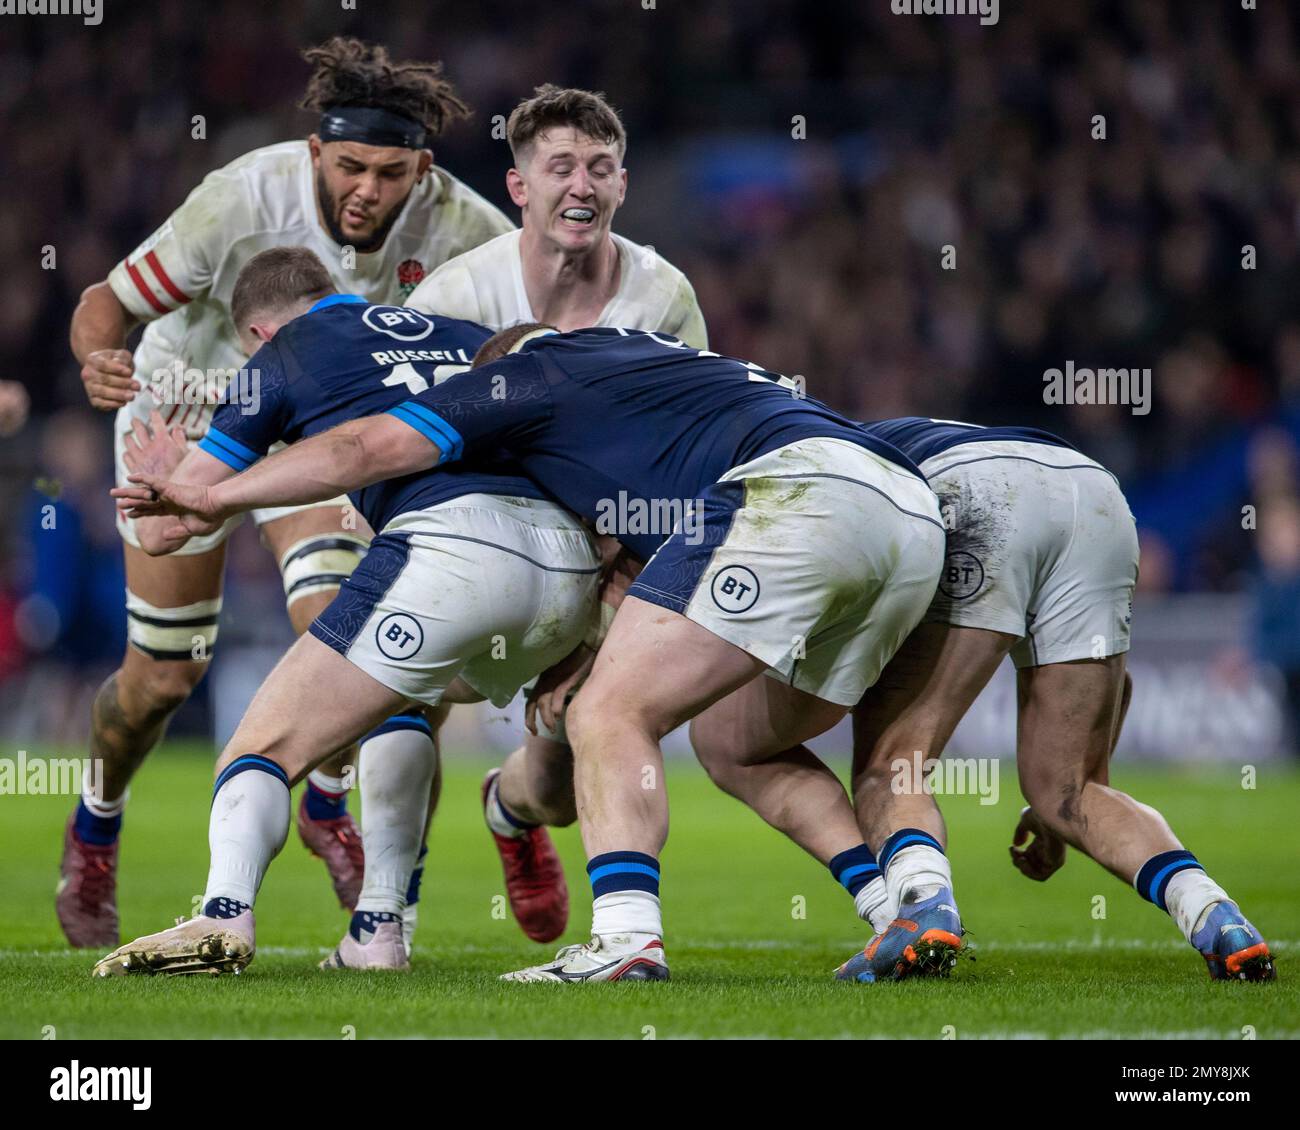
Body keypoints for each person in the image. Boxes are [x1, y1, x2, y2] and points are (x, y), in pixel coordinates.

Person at [113, 324, 946, 983]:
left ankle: (622, 940)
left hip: (788, 497)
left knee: (611, 712)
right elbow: (635, 558)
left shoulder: (533, 373)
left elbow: (365, 450)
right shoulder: (655, 369)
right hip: (907, 511)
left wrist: (211, 495)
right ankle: (899, 908)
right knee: (744, 746)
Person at [60, 36, 513, 948]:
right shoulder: (241, 197)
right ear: (316, 154)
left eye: (392, 174)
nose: (367, 192)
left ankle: (328, 800)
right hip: (188, 411)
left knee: (341, 633)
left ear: (422, 169)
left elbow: (520, 343)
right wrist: (97, 360)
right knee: (162, 677)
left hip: (318, 438)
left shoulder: (468, 231)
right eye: (350, 166)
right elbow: (107, 300)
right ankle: (96, 823)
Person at [93, 248, 600, 976]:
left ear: (259, 333)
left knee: (258, 752)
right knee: (399, 699)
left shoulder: (284, 354)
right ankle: (379, 930)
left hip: (456, 553)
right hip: (567, 569)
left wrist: (165, 481)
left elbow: (171, 526)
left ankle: (225, 914)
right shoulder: (461, 331)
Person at [692, 416, 1275, 984]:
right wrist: (1059, 804)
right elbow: (1118, 689)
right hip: (1095, 493)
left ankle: (924, 909)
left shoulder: (779, 472)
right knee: (1072, 790)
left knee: (894, 765)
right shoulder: (841, 432)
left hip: (976, 494)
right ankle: (1217, 917)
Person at [405, 84, 708, 947]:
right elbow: (417, 446)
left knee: (566, 764)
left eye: (601, 168)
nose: (582, 184)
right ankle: (381, 918)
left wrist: (615, 592)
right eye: (561, 167)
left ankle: (508, 810)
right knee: (400, 690)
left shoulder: (664, 297)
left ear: (622, 186)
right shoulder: (457, 297)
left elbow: (684, 458)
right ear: (519, 188)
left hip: (604, 559)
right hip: (476, 548)